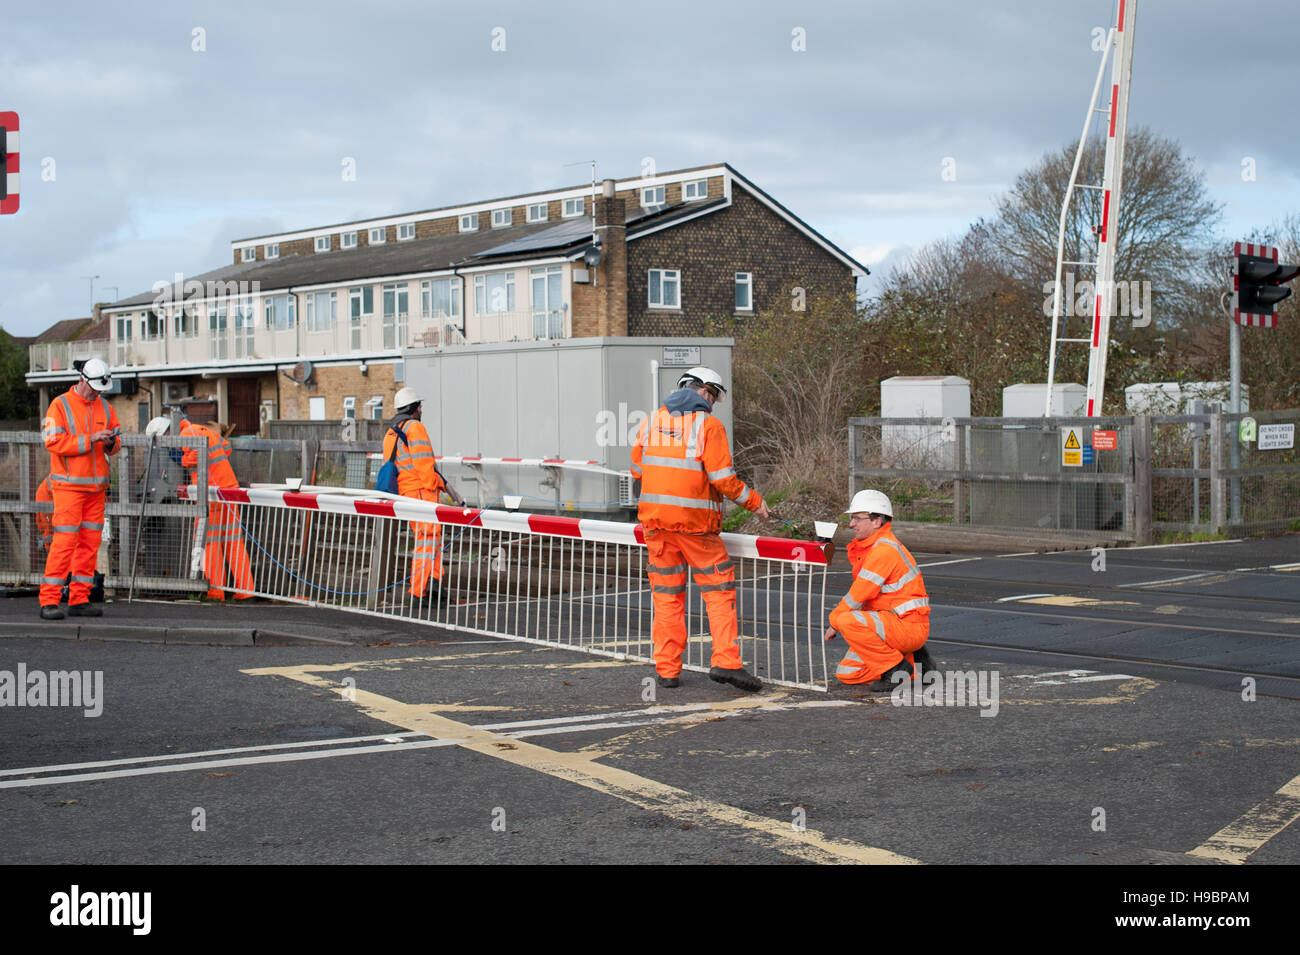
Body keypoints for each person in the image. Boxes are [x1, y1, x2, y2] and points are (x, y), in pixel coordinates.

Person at [630, 366, 770, 692]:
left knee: (667, 598)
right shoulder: (708, 425)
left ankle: (667, 671)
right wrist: (756, 503)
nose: (714, 404)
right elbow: (723, 479)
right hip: (696, 530)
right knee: (719, 594)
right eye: (715, 397)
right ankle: (726, 662)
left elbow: (637, 470)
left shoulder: (651, 420)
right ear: (705, 391)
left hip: (655, 527)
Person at [824, 489, 935, 690]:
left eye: (857, 518)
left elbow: (858, 595)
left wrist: (834, 623)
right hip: (894, 623)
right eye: (852, 518)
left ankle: (895, 670)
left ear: (877, 521)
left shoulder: (884, 551)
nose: (851, 524)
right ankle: (916, 668)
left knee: (845, 620)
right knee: (848, 674)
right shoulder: (874, 548)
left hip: (907, 625)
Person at [39, 357, 120, 620]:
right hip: (68, 488)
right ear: (82, 380)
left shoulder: (105, 408)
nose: (97, 394)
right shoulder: (59, 405)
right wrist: (91, 439)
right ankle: (49, 601)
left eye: (100, 390)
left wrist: (110, 444)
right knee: (63, 543)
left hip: (96, 490)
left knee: (89, 544)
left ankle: (79, 599)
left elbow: (116, 444)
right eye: (94, 389)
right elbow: (53, 442)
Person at [147, 414, 256, 600]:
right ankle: (246, 590)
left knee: (209, 542)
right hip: (228, 488)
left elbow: (197, 455)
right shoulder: (201, 429)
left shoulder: (186, 434)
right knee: (233, 541)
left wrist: (181, 459)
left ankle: (216, 591)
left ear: (165, 433)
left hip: (210, 493)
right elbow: (226, 447)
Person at [382, 387, 463, 605]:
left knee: (431, 540)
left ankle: (435, 583)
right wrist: (440, 485)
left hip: (406, 493)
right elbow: (425, 467)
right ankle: (418, 591)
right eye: (420, 406)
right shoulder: (414, 428)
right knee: (427, 541)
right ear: (414, 408)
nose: (421, 410)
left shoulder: (391, 432)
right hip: (422, 491)